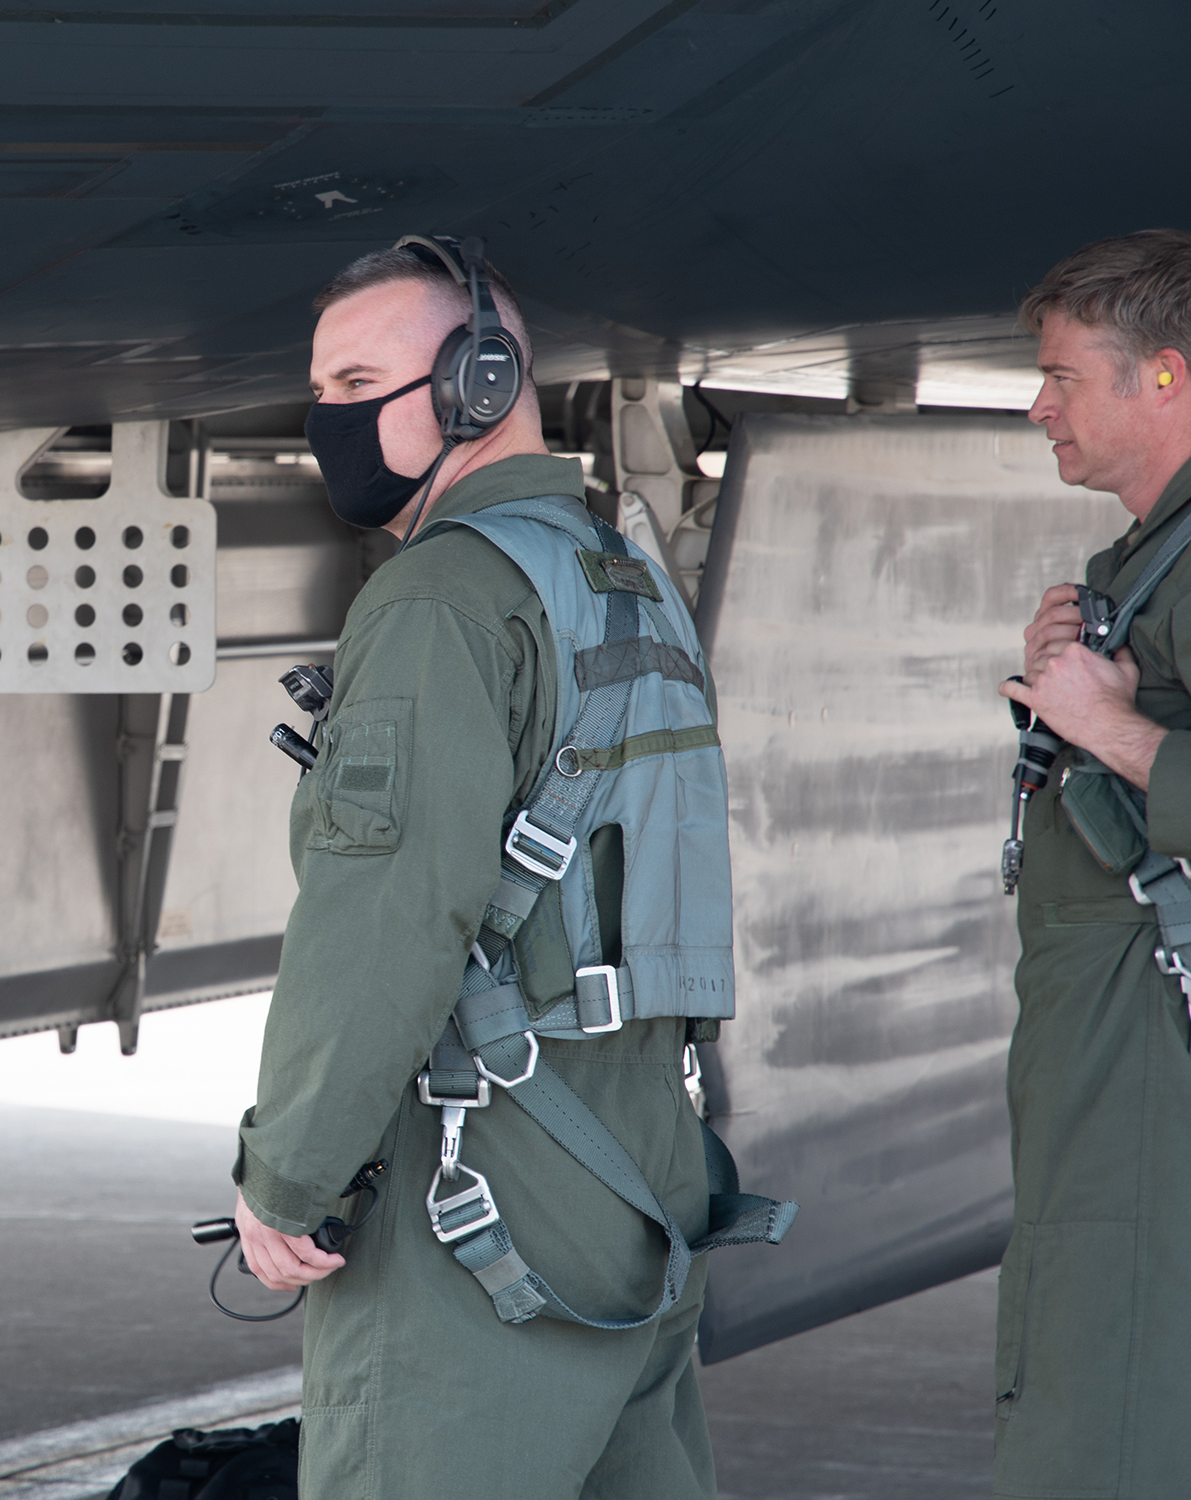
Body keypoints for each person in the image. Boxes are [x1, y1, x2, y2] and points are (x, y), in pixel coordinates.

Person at [228, 237, 783, 1499]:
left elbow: (388, 918)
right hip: (639, 1159)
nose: (329, 419)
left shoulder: (442, 601)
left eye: (357, 379)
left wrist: (290, 1178)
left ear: (479, 382)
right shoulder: (620, 569)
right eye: (320, 389)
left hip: (488, 1178)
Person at [997, 229, 1191, 1499]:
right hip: (1132, 1029)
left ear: (1163, 377)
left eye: (1061, 377)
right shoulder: (1166, 554)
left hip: (1168, 1046)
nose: (1039, 406)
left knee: (1116, 1388)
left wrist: (1105, 727)